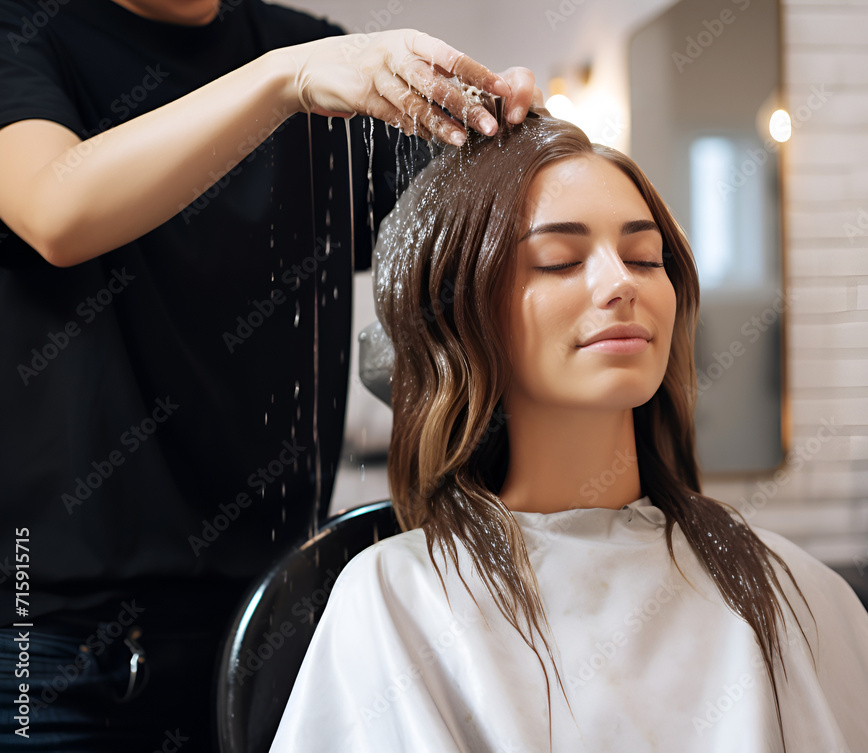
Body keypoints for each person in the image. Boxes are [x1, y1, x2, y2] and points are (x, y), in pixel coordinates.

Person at [269, 110, 868, 752]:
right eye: (560, 260)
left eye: (645, 257)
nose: (622, 283)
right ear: (462, 314)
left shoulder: (781, 583)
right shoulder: (397, 597)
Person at [0, 1, 537, 750]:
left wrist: (507, 141)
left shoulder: (312, 51)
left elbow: (460, 233)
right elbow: (56, 208)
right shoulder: (25, 34)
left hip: (278, 625)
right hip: (57, 646)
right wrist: (286, 82)